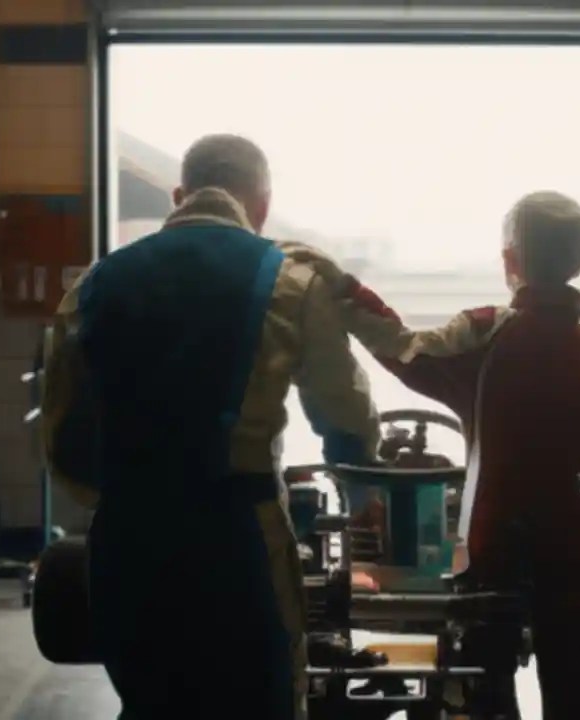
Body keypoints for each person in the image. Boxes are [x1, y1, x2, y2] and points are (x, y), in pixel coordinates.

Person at [40, 134, 381, 720]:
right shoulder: (288, 281)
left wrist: (122, 494)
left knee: (151, 702)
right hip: (237, 541)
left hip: (129, 541)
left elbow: (65, 438)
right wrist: (363, 497)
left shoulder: (92, 286)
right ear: (262, 205)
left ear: (179, 196)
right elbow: (345, 417)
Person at [308, 190, 580, 719]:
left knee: (482, 679)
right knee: (578, 685)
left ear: (509, 260)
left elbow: (402, 347)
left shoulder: (486, 332)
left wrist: (345, 291)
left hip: (494, 545)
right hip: (574, 546)